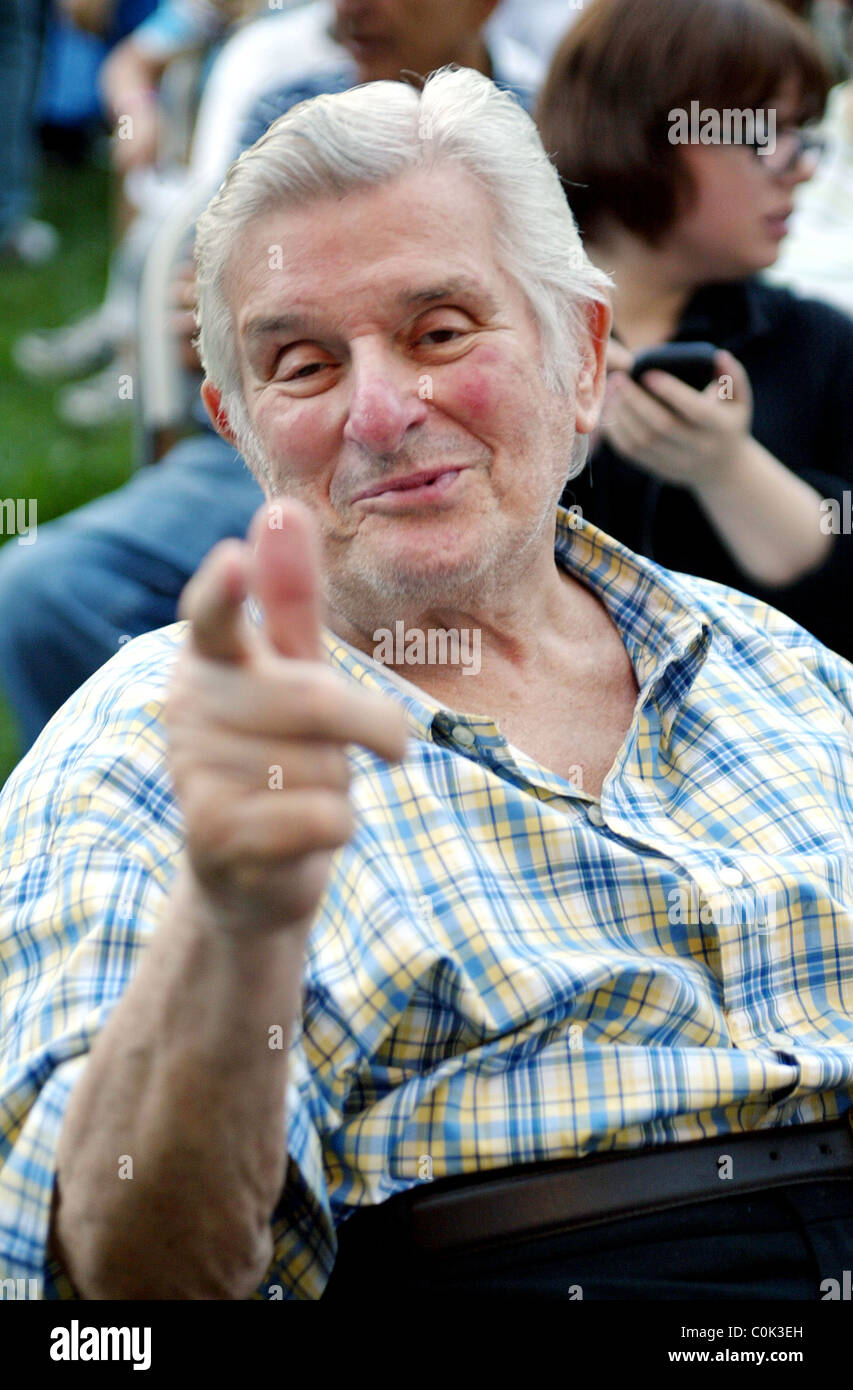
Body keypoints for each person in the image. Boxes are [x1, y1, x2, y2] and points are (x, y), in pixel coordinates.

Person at [1, 68, 852, 1301]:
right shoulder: (151, 755)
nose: (384, 412)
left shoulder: (787, 678)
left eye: (440, 331)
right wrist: (233, 932)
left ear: (582, 356)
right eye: (298, 363)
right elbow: (109, 1294)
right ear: (235, 429)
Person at [0, 0, 542, 756]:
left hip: (470, 454)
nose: (346, 13)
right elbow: (212, 305)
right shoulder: (286, 108)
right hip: (258, 463)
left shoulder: (540, 127)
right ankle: (164, 794)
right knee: (42, 587)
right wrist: (220, 325)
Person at [536, 0, 853, 661]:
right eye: (766, 134)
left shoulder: (817, 344)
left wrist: (727, 469)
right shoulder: (497, 326)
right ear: (648, 129)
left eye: (804, 133)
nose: (800, 165)